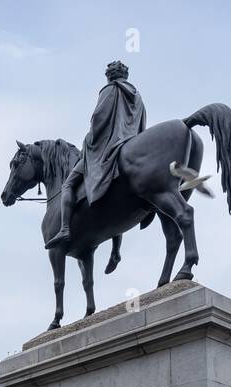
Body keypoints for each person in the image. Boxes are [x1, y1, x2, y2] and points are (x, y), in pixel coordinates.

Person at [45, 60, 147, 249]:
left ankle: (65, 228)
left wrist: (88, 142)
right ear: (125, 75)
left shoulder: (109, 90)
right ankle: (116, 249)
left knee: (67, 184)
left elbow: (98, 120)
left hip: (107, 145)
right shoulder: (136, 95)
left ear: (110, 76)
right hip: (131, 142)